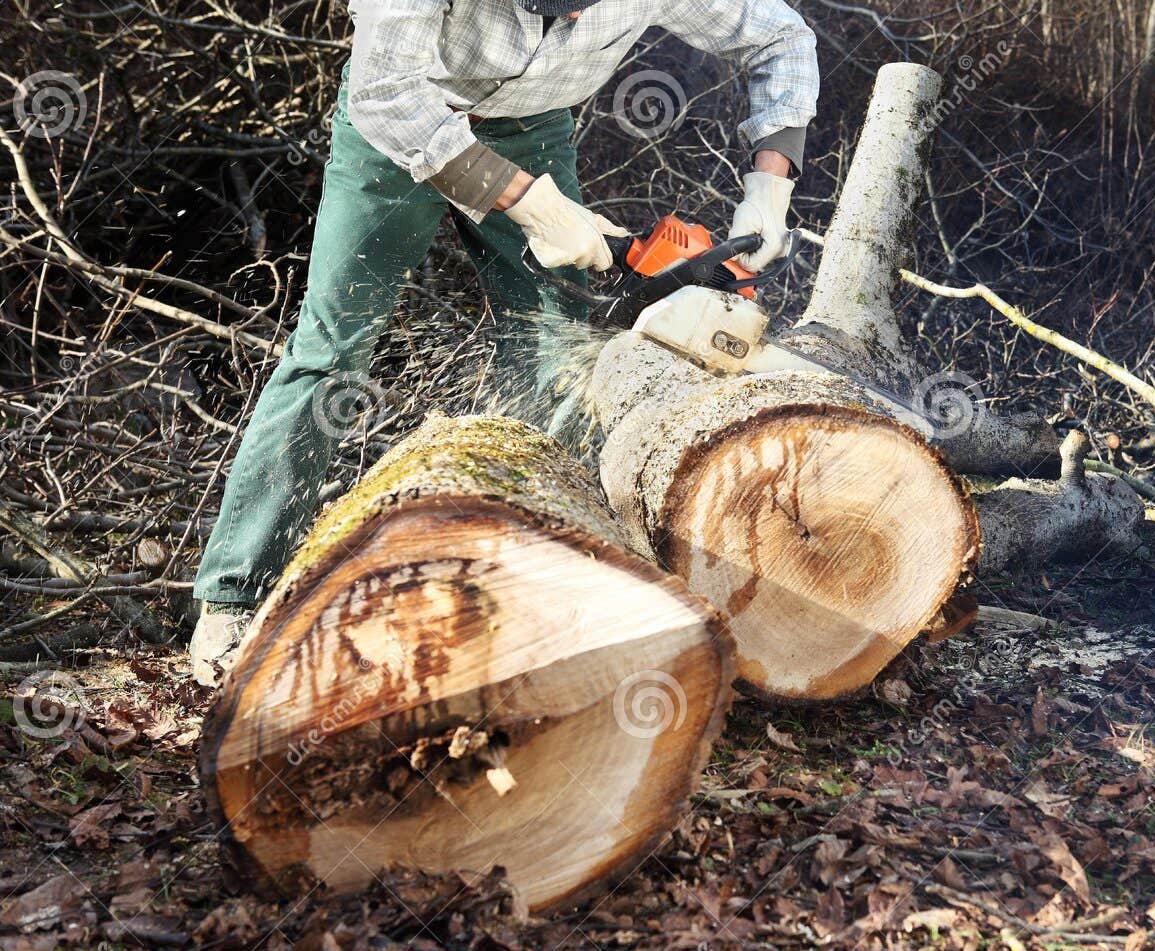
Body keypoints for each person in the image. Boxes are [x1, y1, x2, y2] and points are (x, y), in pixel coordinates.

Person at [189, 0, 818, 684]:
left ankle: (542, 590)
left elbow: (781, 37)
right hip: (402, 129)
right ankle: (232, 598)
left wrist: (770, 190)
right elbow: (384, 96)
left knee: (558, 359)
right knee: (331, 355)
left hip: (532, 131)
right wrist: (533, 205)